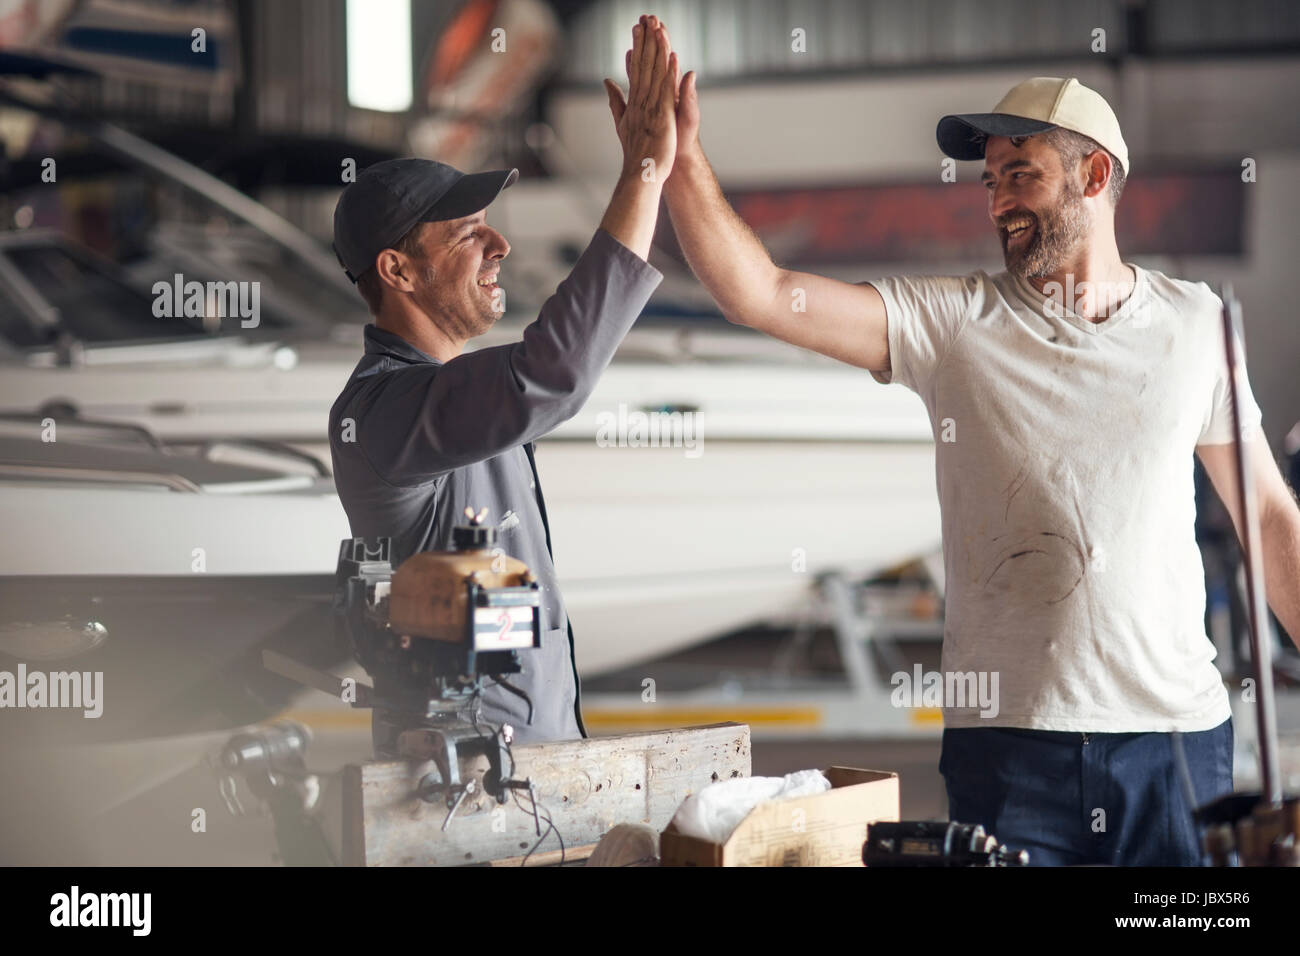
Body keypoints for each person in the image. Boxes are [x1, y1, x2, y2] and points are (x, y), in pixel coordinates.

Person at [651, 33, 1300, 865]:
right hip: (1008, 748)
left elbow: (1269, 518)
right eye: (991, 182)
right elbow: (763, 294)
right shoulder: (953, 323)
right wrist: (677, 161)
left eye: (1020, 173)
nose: (996, 202)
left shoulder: (1198, 324)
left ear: (1095, 176)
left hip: (1173, 743)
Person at [328, 18, 679, 751]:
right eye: (468, 234)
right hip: (466, 797)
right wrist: (644, 171)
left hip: (528, 774)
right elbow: (552, 372)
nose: (501, 246)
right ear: (397, 271)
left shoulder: (449, 398)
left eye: (491, 225)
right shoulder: (384, 410)